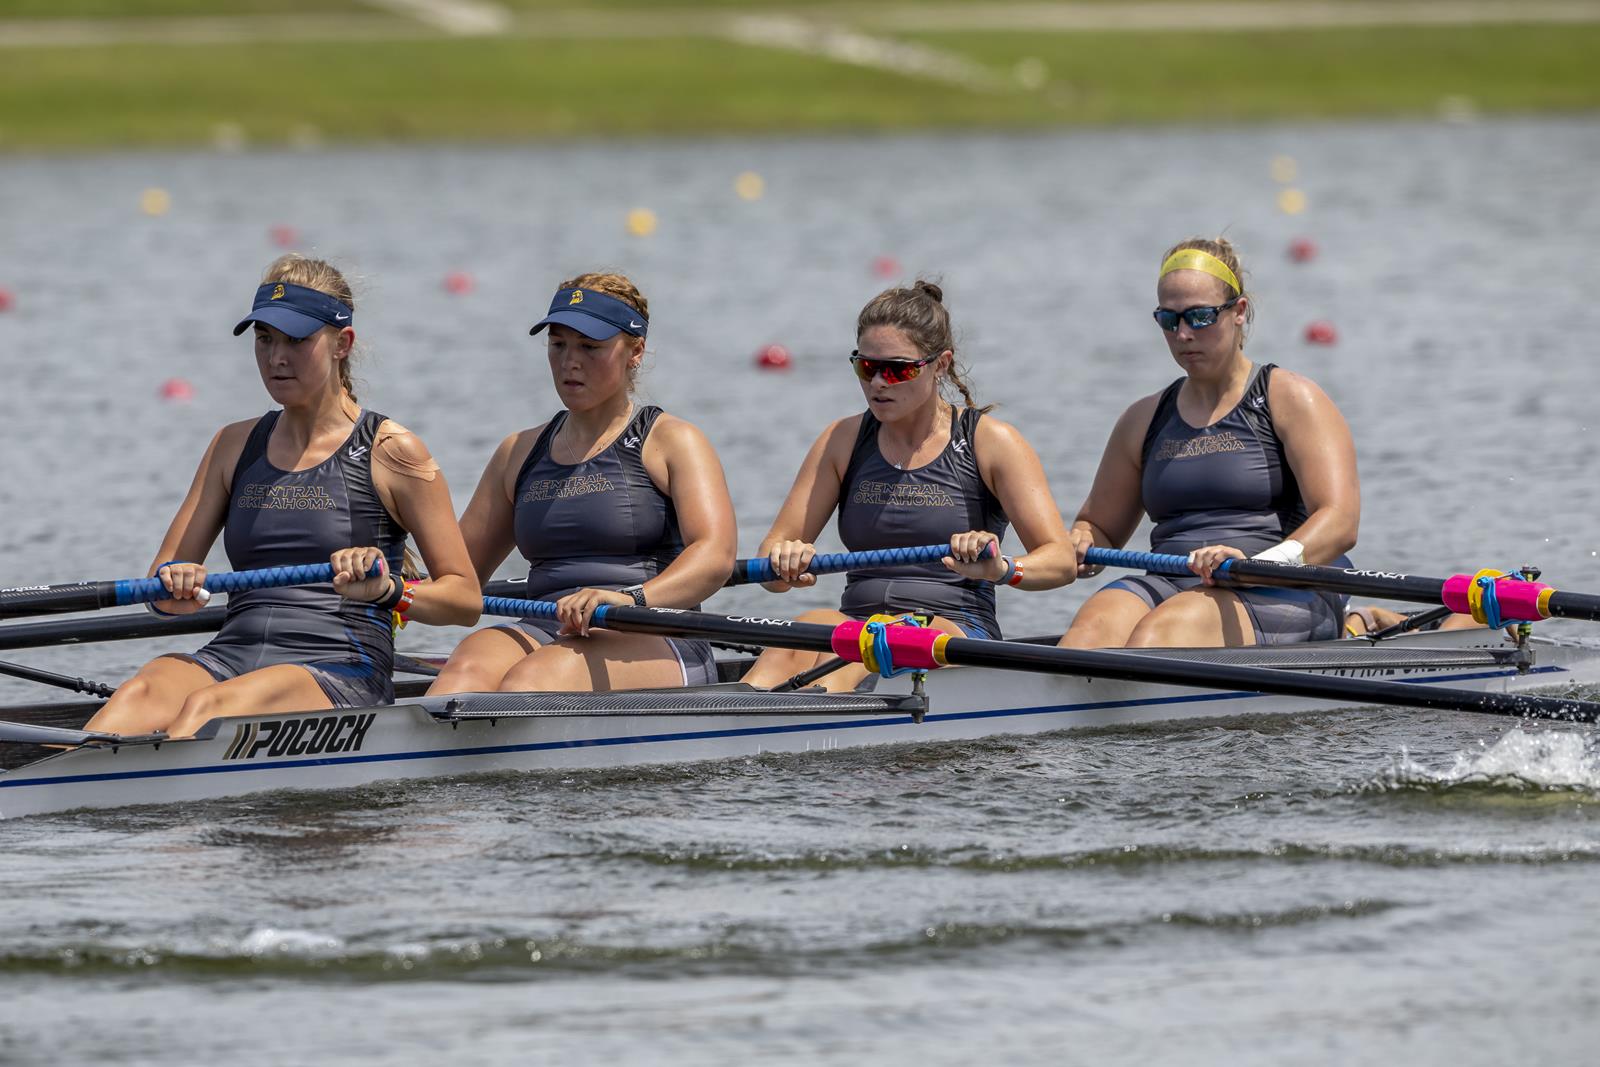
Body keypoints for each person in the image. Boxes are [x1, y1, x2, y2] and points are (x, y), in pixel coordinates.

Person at [85, 255, 481, 738]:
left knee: (209, 709)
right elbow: (160, 587)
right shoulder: (233, 445)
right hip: (231, 655)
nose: (276, 358)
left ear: (342, 344)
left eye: (296, 340)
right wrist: (175, 588)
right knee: (137, 695)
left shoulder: (392, 450)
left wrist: (388, 590)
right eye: (265, 339)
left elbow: (464, 598)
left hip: (340, 666)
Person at [739, 281, 1077, 693]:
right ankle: (729, 722)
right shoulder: (841, 441)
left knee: (879, 640)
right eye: (866, 367)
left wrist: (1002, 568)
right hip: (857, 626)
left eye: (897, 369)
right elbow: (769, 571)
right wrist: (785, 563)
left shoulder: (990, 442)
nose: (878, 383)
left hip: (952, 633)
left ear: (941, 364)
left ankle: (801, 721)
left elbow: (1060, 561)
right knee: (802, 629)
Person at [427, 273, 737, 695]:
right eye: (558, 345)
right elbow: (455, 579)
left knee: (529, 681)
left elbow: (714, 557)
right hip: (545, 626)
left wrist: (632, 599)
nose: (570, 361)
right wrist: (378, 564)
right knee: (464, 672)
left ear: (635, 351)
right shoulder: (518, 452)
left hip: (653, 629)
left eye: (590, 347)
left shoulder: (672, 441)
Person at [1060, 237, 1360, 649]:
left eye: (1200, 316)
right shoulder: (1142, 419)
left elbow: (1340, 521)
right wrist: (1081, 541)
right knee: (1085, 638)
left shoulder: (1290, 399)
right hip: (1171, 581)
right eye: (1169, 319)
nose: (1183, 334)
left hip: (1277, 588)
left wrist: (1257, 566)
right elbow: (1100, 527)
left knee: (1160, 634)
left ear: (1238, 312)